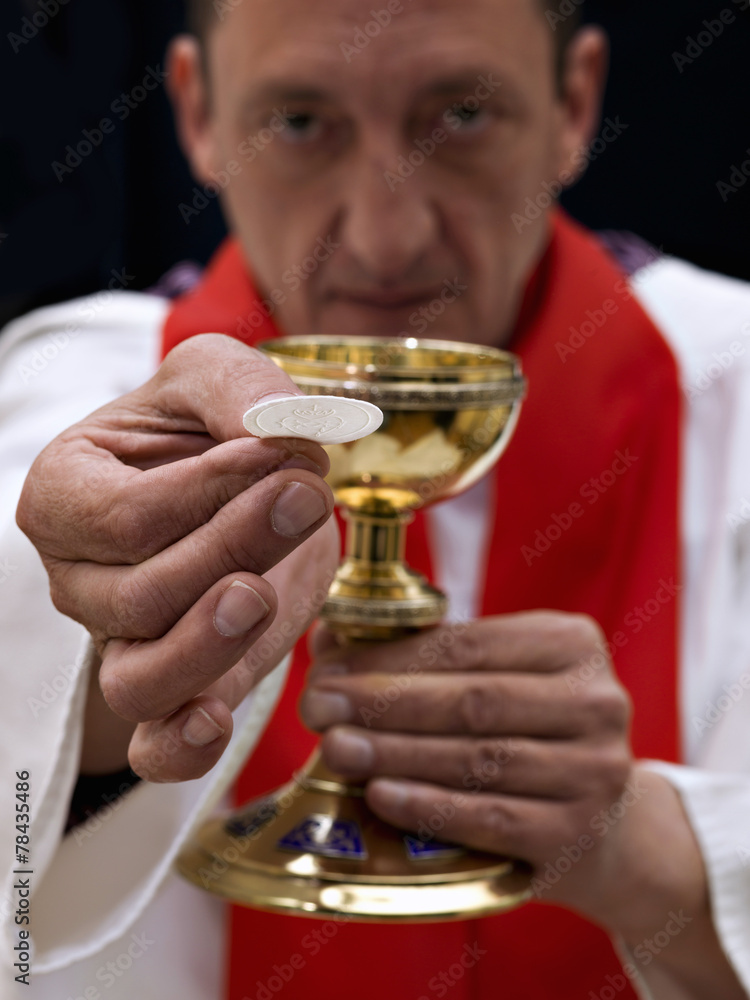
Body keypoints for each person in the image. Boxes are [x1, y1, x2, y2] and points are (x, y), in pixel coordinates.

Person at [2, 0, 749, 997]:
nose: (386, 238)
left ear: (575, 106)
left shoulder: (732, 385)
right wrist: (98, 655)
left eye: (463, 116)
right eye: (302, 123)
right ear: (198, 114)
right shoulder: (85, 380)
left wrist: (649, 849)